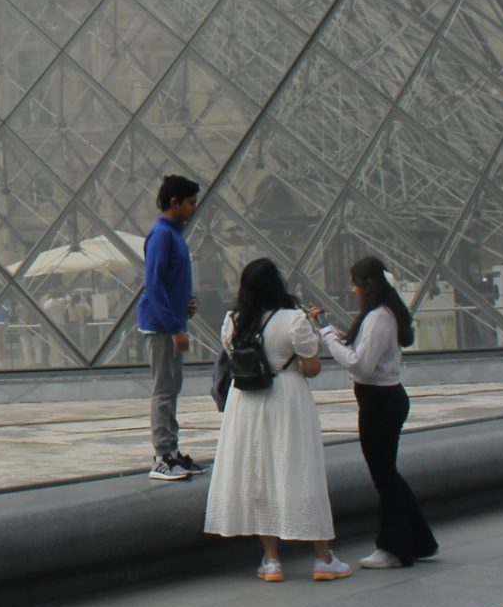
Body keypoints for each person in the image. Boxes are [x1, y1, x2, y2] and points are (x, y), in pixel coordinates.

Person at [203, 259, 349, 582]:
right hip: (286, 399)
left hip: (247, 402)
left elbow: (231, 356)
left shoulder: (233, 321)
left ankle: (271, 561)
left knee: (259, 476)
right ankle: (323, 559)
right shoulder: (294, 320)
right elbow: (311, 368)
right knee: (301, 470)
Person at [308, 257, 438, 568]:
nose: (352, 290)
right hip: (384, 399)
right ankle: (417, 540)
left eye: (354, 283)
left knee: (384, 477)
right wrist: (328, 329)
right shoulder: (383, 315)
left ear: (367, 284)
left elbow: (359, 364)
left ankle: (394, 548)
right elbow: (362, 351)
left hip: (379, 401)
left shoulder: (379, 317)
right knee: (387, 474)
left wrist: (326, 335)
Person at [139, 174, 203, 480]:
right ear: (174, 202)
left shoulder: (173, 234)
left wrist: (186, 302)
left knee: (172, 388)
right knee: (164, 390)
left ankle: (173, 451)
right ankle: (162, 455)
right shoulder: (163, 235)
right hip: (163, 326)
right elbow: (153, 284)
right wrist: (175, 327)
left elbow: (170, 282)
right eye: (191, 203)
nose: (194, 208)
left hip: (171, 320)